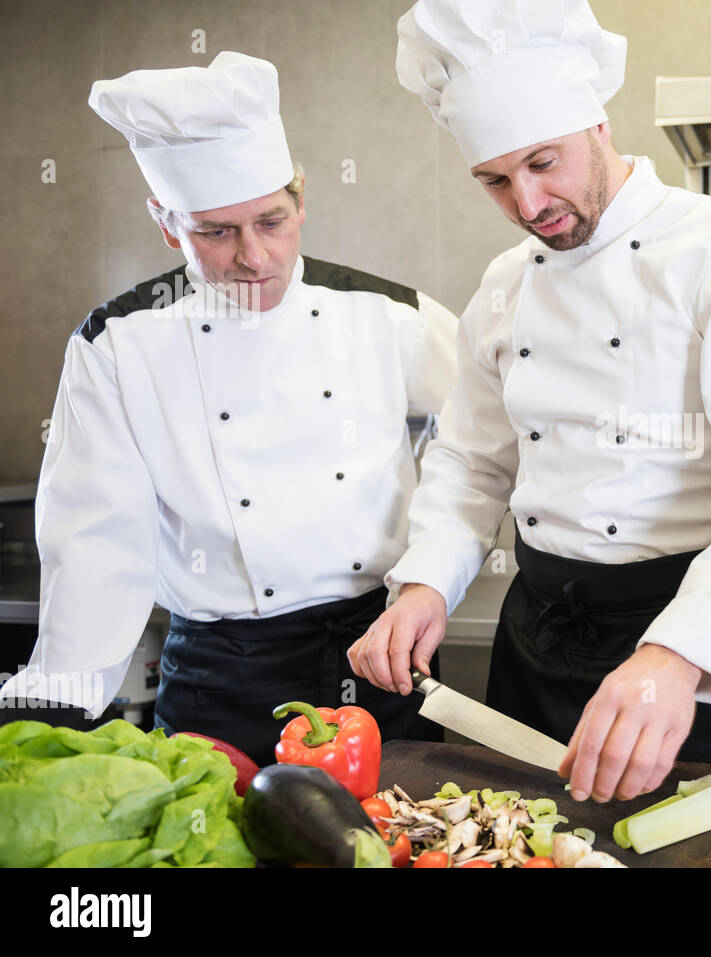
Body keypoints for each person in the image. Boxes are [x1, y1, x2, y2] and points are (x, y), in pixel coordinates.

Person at [348, 0, 711, 816]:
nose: (528, 201)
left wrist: (680, 653)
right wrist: (425, 584)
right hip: (537, 640)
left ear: (599, 125)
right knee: (526, 842)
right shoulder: (506, 283)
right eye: (496, 180)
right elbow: (471, 459)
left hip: (688, 640)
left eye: (545, 161)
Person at [0, 52, 461, 766]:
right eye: (215, 232)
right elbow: (95, 541)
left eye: (272, 220)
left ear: (302, 201)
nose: (253, 256)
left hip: (377, 661)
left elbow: (487, 441)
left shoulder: (385, 314)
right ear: (166, 223)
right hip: (218, 678)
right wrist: (49, 718)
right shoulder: (119, 345)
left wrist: (431, 568)